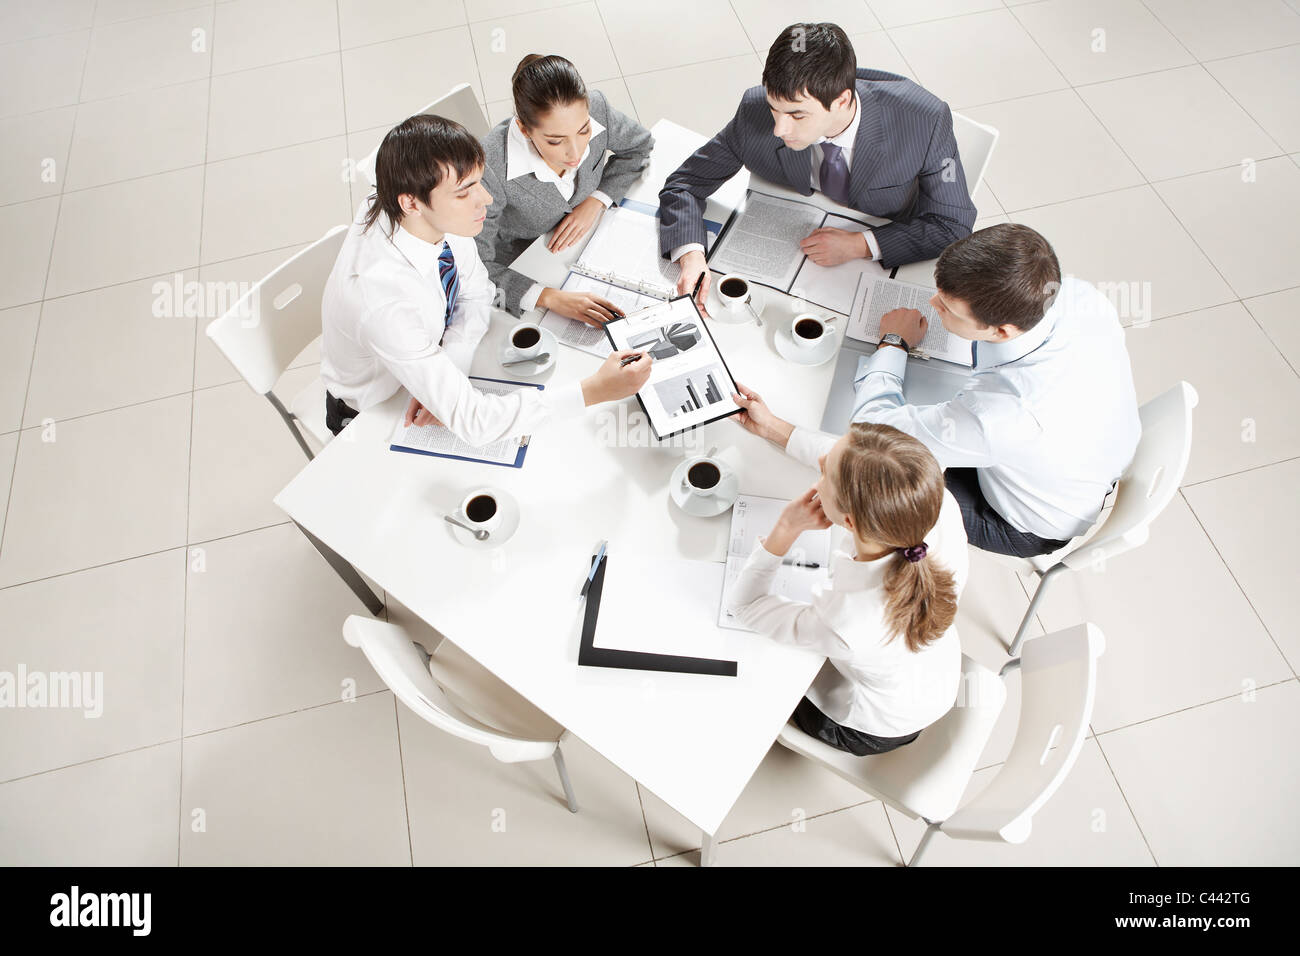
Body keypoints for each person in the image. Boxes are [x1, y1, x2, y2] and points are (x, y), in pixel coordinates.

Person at [735, 223, 1141, 559]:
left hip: (1025, 520)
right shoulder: (1075, 295)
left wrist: (893, 343)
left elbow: (870, 433)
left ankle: (773, 434)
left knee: (873, 478)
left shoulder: (998, 418)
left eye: (947, 307)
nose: (932, 304)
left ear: (1002, 331)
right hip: (1084, 460)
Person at [320, 113, 652, 444]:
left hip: (425, 363)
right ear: (411, 203)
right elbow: (475, 424)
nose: (487, 200)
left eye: (479, 182)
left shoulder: (433, 217)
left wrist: (449, 370)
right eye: (464, 192)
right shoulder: (382, 300)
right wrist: (595, 390)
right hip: (378, 410)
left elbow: (477, 292)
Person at [660, 21, 976, 315]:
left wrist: (861, 244)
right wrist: (691, 256)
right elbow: (685, 183)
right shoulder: (754, 111)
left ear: (841, 102)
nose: (779, 129)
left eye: (797, 116)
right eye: (775, 110)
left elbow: (952, 224)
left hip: (878, 257)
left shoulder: (924, 122)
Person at [727, 422, 968, 756]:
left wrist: (786, 527)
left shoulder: (848, 621)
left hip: (871, 726)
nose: (821, 461)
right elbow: (863, 464)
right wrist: (772, 427)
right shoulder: (936, 504)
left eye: (824, 473)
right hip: (933, 676)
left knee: (761, 664)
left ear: (851, 522)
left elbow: (746, 606)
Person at [477, 54, 654, 327]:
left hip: (589, 245)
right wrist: (548, 297)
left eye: (584, 131)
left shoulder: (596, 108)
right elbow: (472, 264)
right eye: (556, 141)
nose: (576, 152)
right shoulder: (488, 167)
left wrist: (598, 199)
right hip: (522, 263)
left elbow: (639, 146)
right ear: (524, 129)